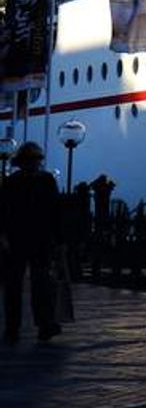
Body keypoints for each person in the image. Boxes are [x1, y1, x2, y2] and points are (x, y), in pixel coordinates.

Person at [1, 142, 60, 343]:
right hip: (38, 238)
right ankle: (43, 325)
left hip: (19, 238)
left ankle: (13, 327)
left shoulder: (11, 181)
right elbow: (54, 211)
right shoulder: (46, 180)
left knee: (15, 286)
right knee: (39, 285)